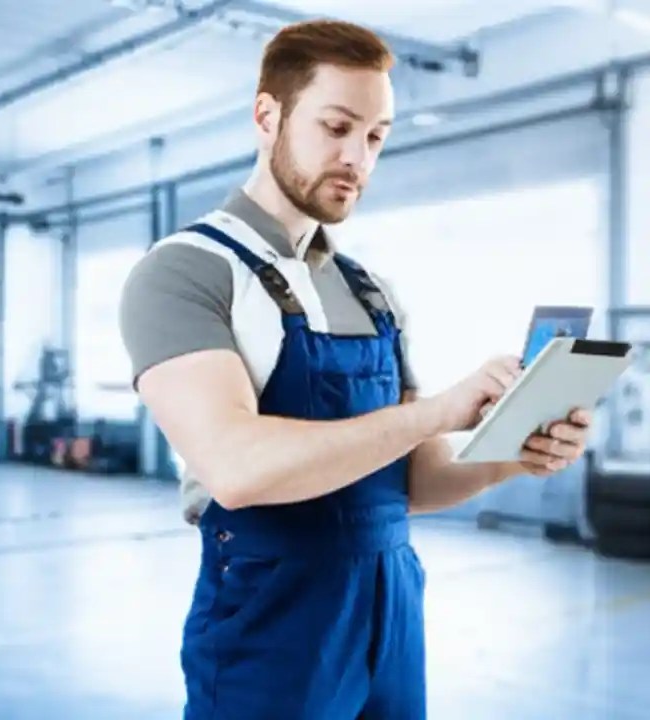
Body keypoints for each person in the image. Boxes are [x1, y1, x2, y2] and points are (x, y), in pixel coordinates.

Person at [118, 19, 595, 720]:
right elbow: (237, 468)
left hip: (390, 607)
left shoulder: (370, 291)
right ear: (266, 115)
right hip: (271, 622)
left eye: (375, 137)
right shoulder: (185, 273)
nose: (357, 158)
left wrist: (513, 454)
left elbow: (411, 482)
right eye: (336, 127)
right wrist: (439, 409)